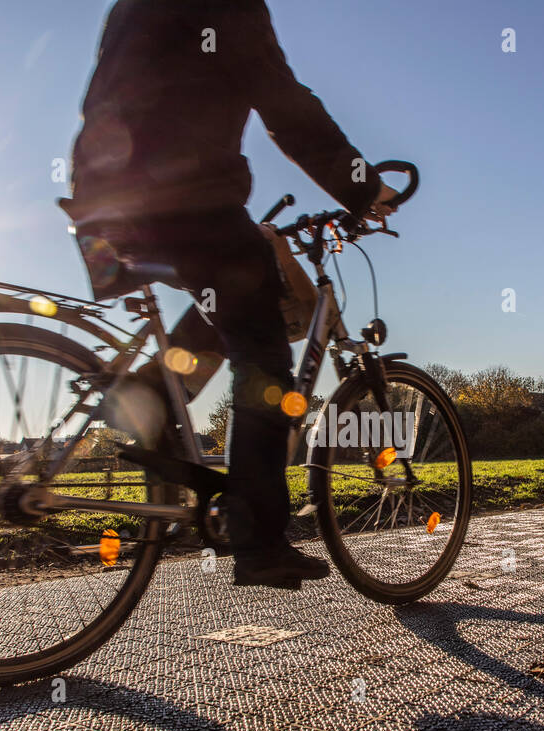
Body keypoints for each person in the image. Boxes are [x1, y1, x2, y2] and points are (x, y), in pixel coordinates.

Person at [62, 0, 399, 589]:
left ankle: (148, 397)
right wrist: (364, 188)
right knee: (264, 351)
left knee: (231, 295)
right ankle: (258, 536)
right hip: (183, 198)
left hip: (101, 203)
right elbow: (284, 103)